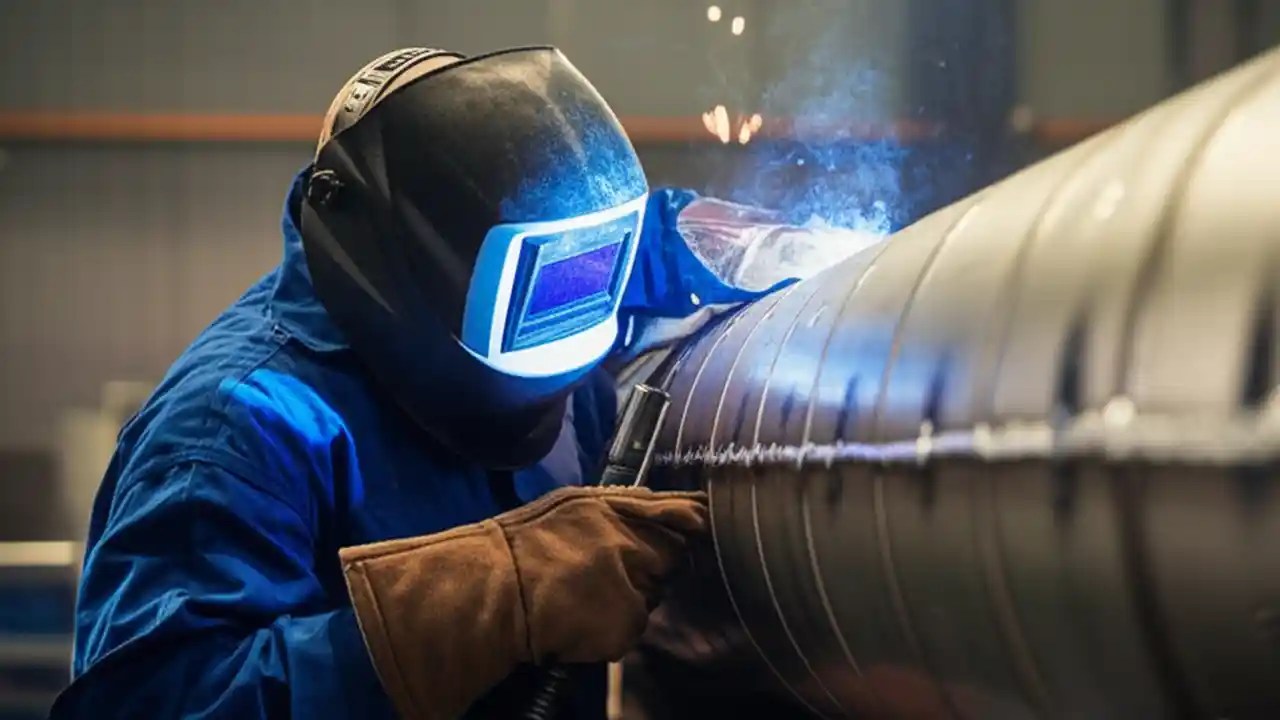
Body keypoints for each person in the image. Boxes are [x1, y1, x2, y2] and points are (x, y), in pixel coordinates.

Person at [50, 46, 878, 720]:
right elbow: (155, 702)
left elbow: (626, 243)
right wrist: (490, 596)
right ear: (412, 267)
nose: (568, 329)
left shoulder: (528, 276)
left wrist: (767, 249)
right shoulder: (237, 426)